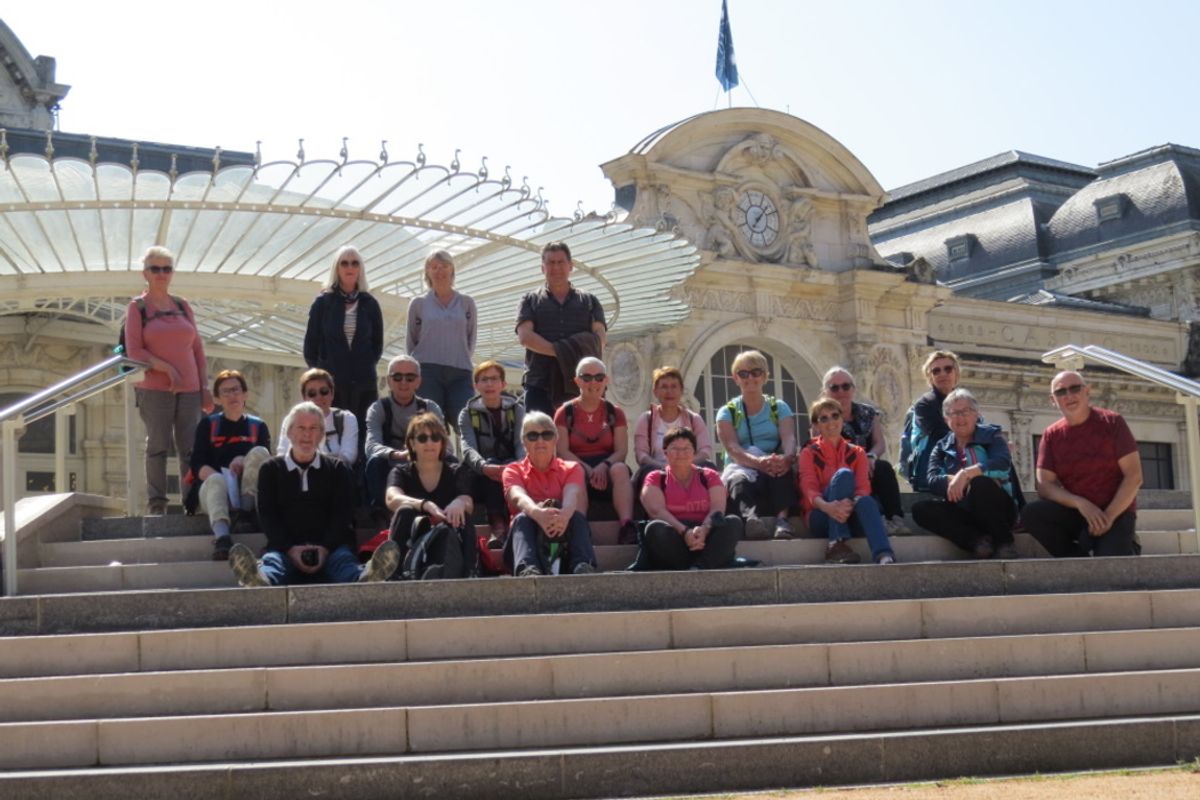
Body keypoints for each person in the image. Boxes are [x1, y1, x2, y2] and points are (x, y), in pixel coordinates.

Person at [227, 402, 399, 586]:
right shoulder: (270, 469)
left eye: (313, 428)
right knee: (274, 565)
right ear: (289, 432)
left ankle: (367, 576)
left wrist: (325, 548)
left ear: (321, 434)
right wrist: (290, 549)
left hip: (332, 549)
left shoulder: (337, 469)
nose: (307, 434)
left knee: (345, 565)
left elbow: (343, 514)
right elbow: (268, 516)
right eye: (301, 427)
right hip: (285, 549)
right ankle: (258, 579)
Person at [123, 246, 213, 515]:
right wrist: (165, 369)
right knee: (158, 446)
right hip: (154, 388)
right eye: (155, 269)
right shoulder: (137, 307)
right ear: (145, 274)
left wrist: (205, 387)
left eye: (167, 268)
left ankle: (191, 502)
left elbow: (197, 348)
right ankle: (157, 504)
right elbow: (134, 351)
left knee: (189, 448)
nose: (162, 274)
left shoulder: (182, 305)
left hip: (190, 389)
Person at [1021, 371, 1143, 557]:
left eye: (1075, 388)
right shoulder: (1051, 435)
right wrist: (1080, 503)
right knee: (1032, 514)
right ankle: (1076, 559)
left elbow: (1134, 477)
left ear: (1087, 391)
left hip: (1116, 512)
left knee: (1111, 566)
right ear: (1053, 400)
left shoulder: (1113, 422)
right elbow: (1045, 486)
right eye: (1061, 392)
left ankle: (1128, 543)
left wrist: (1108, 517)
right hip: (1079, 512)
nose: (1069, 395)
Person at [910, 389, 1019, 559]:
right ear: (946, 419)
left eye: (965, 412)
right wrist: (955, 480)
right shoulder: (941, 446)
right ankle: (977, 542)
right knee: (920, 509)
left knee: (980, 484)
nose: (960, 418)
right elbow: (931, 479)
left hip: (997, 509)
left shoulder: (992, 435)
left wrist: (967, 474)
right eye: (954, 413)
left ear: (976, 414)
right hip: (963, 508)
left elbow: (1002, 463)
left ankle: (1004, 542)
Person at [303, 245, 384, 451]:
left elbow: (377, 345)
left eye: (354, 263)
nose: (350, 267)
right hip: (331, 386)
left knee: (363, 436)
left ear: (360, 269)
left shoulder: (370, 303)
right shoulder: (323, 303)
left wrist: (361, 364)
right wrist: (324, 371)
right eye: (344, 263)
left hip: (363, 383)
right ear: (337, 268)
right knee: (331, 436)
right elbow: (310, 346)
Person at [798, 397, 896, 564]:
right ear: (816, 425)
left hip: (850, 514)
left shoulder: (857, 453)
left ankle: (884, 554)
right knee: (844, 475)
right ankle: (836, 543)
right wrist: (829, 507)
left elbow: (862, 489)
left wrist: (845, 506)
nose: (831, 422)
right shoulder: (808, 453)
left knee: (866, 501)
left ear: (842, 419)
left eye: (835, 416)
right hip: (820, 515)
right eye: (824, 418)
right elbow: (809, 489)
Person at [187, 370, 272, 560]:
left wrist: (244, 458)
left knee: (259, 453)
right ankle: (223, 538)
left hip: (248, 491)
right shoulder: (208, 425)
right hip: (215, 492)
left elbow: (266, 463)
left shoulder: (258, 426)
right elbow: (197, 464)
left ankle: (245, 514)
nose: (232, 395)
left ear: (245, 394)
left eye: (236, 390)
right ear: (217, 398)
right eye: (225, 392)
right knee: (215, 479)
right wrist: (223, 481)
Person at [714, 350, 798, 540]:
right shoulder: (727, 412)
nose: (750, 377)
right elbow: (732, 448)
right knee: (738, 481)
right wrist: (759, 462)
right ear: (735, 378)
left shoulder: (779, 407)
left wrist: (787, 457)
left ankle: (782, 520)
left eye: (756, 372)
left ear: (765, 376)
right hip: (743, 467)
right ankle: (750, 520)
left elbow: (789, 438)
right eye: (743, 373)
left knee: (781, 468)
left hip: (772, 469)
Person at [516, 242, 607, 415]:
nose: (556, 267)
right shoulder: (529, 300)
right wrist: (563, 352)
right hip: (539, 384)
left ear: (570, 266)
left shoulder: (589, 301)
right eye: (550, 263)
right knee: (539, 439)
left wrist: (565, 354)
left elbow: (600, 340)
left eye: (560, 262)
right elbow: (525, 337)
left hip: (582, 386)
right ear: (542, 268)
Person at [502, 412, 597, 576]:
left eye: (546, 434)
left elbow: (572, 494)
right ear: (524, 442)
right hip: (525, 544)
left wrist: (564, 515)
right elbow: (518, 497)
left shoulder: (572, 468)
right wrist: (538, 514)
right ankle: (528, 571)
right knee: (523, 518)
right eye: (532, 436)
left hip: (562, 539)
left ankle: (583, 566)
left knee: (576, 517)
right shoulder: (512, 470)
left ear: (555, 439)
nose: (540, 441)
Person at [553, 357, 637, 545]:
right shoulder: (564, 413)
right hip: (578, 465)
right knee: (575, 472)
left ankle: (627, 526)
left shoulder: (615, 412)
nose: (593, 383)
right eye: (587, 377)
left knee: (620, 469)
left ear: (606, 380)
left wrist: (602, 466)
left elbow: (621, 451)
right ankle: (580, 531)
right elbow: (562, 451)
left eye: (599, 377)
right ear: (577, 381)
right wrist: (588, 469)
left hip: (607, 467)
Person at [384, 414, 476, 578]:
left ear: (442, 443)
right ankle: (393, 573)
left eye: (435, 437)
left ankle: (470, 571)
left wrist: (459, 502)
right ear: (412, 443)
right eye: (422, 438)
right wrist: (425, 505)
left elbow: (468, 501)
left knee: (463, 515)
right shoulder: (400, 471)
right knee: (404, 510)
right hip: (412, 536)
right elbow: (392, 499)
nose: (430, 443)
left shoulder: (457, 470)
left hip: (445, 537)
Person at [639, 427, 742, 570]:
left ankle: (700, 566)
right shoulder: (655, 477)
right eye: (675, 449)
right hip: (675, 533)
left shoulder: (709, 475)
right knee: (654, 529)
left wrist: (704, 530)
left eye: (686, 448)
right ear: (665, 452)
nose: (681, 453)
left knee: (733, 522)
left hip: (705, 532)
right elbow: (656, 511)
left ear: (694, 452)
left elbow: (717, 509)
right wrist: (685, 531)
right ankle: (691, 565)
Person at [820, 366, 906, 534]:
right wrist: (858, 460)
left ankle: (896, 518)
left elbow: (879, 442)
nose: (841, 391)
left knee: (884, 468)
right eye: (834, 387)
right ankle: (878, 519)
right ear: (826, 392)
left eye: (846, 386)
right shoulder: (820, 417)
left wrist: (871, 456)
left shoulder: (869, 412)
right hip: (840, 468)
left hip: (869, 465)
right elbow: (820, 447)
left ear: (853, 389)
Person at [363, 355, 445, 520]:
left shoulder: (430, 407)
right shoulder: (378, 408)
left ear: (418, 381)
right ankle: (382, 516)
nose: (403, 382)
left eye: (410, 377)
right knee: (374, 462)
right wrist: (397, 454)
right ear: (389, 380)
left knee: (451, 461)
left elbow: (445, 444)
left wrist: (420, 454)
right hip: (391, 462)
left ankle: (443, 509)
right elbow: (371, 446)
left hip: (424, 463)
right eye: (397, 377)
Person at [406, 250, 478, 429]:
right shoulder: (418, 304)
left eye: (444, 266)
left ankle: (469, 457)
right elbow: (411, 340)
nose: (440, 271)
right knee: (430, 424)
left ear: (452, 269)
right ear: (427, 271)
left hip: (460, 372)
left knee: (465, 421)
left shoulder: (466, 303)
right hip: (428, 371)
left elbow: (471, 337)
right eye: (434, 267)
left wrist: (459, 357)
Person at [458, 360, 526, 547]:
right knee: (491, 469)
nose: (489, 384)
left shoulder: (517, 410)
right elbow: (467, 446)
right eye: (484, 379)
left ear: (503, 384)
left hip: (512, 465)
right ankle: (497, 526)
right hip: (483, 470)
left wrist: (518, 465)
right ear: (476, 385)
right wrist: (484, 466)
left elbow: (521, 443)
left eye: (494, 379)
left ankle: (512, 522)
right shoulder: (467, 414)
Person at [633, 366, 715, 507]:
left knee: (709, 468)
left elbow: (705, 450)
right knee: (644, 473)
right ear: (655, 391)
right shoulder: (646, 419)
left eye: (674, 386)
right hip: (657, 467)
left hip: (690, 466)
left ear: (681, 390)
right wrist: (664, 466)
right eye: (664, 386)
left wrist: (685, 464)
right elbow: (641, 455)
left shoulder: (693, 418)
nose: (669, 391)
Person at [899, 350, 960, 492]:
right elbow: (940, 436)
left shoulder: (966, 400)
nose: (942, 374)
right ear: (930, 377)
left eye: (948, 369)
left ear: (956, 373)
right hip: (934, 468)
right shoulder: (924, 404)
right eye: (936, 371)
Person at [276, 369, 358, 464]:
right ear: (304, 398)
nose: (318, 397)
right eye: (312, 393)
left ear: (332, 394)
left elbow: (349, 456)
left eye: (324, 391)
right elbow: (283, 453)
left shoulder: (346, 419)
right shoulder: (291, 419)